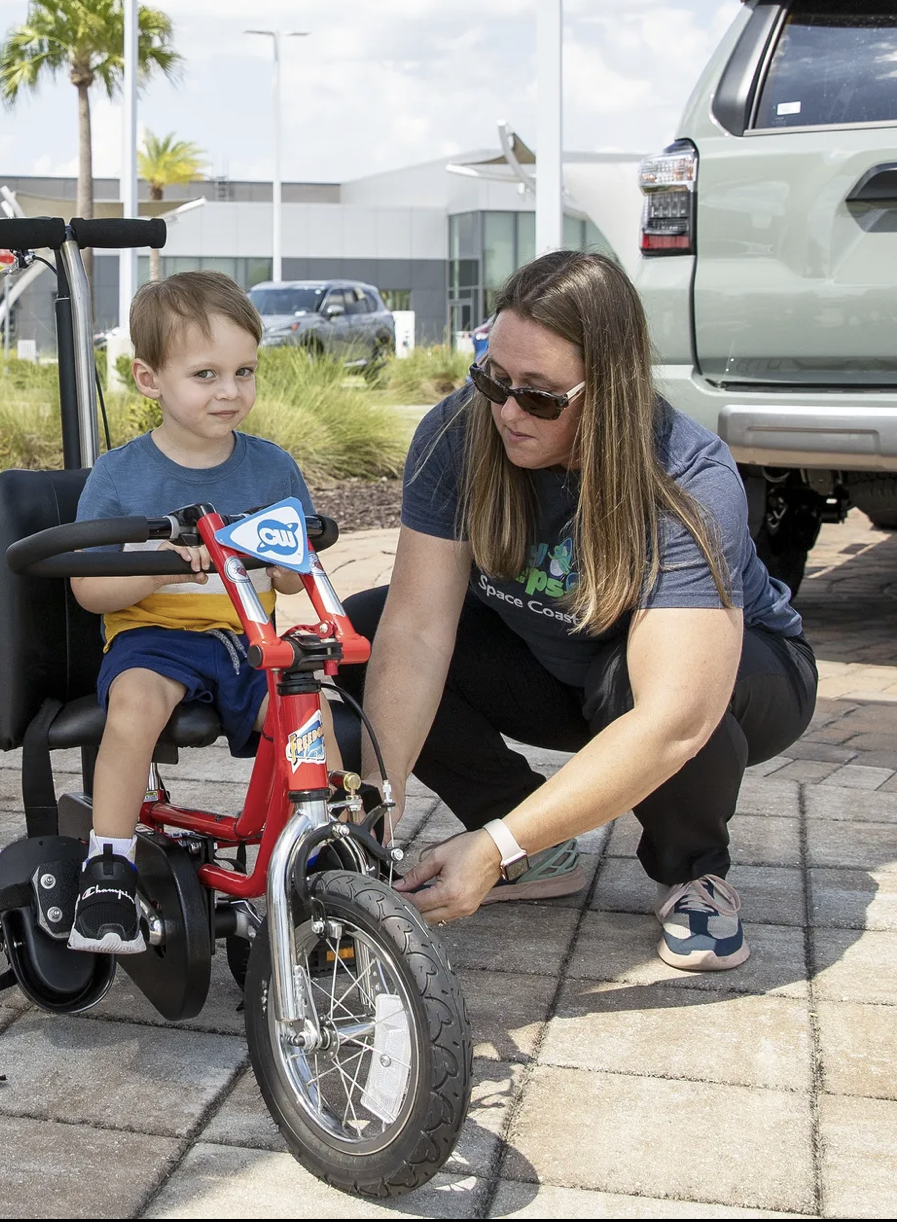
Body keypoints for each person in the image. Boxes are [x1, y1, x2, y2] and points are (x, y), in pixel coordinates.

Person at [340, 251, 817, 971]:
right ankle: (539, 848)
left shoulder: (684, 474)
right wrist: (375, 807)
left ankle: (695, 875)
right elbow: (415, 630)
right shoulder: (458, 434)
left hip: (743, 681)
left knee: (636, 687)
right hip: (554, 662)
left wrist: (495, 848)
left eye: (538, 395)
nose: (505, 410)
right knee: (367, 627)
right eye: (492, 377)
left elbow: (674, 720)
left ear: (609, 392)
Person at [67, 270, 336, 953]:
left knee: (312, 714)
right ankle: (109, 867)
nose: (230, 391)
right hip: (155, 638)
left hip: (247, 639)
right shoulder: (122, 476)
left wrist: (284, 567)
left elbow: (295, 574)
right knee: (132, 705)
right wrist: (158, 560)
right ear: (149, 379)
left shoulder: (272, 470)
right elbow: (88, 592)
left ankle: (324, 850)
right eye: (206, 374)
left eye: (244, 371)